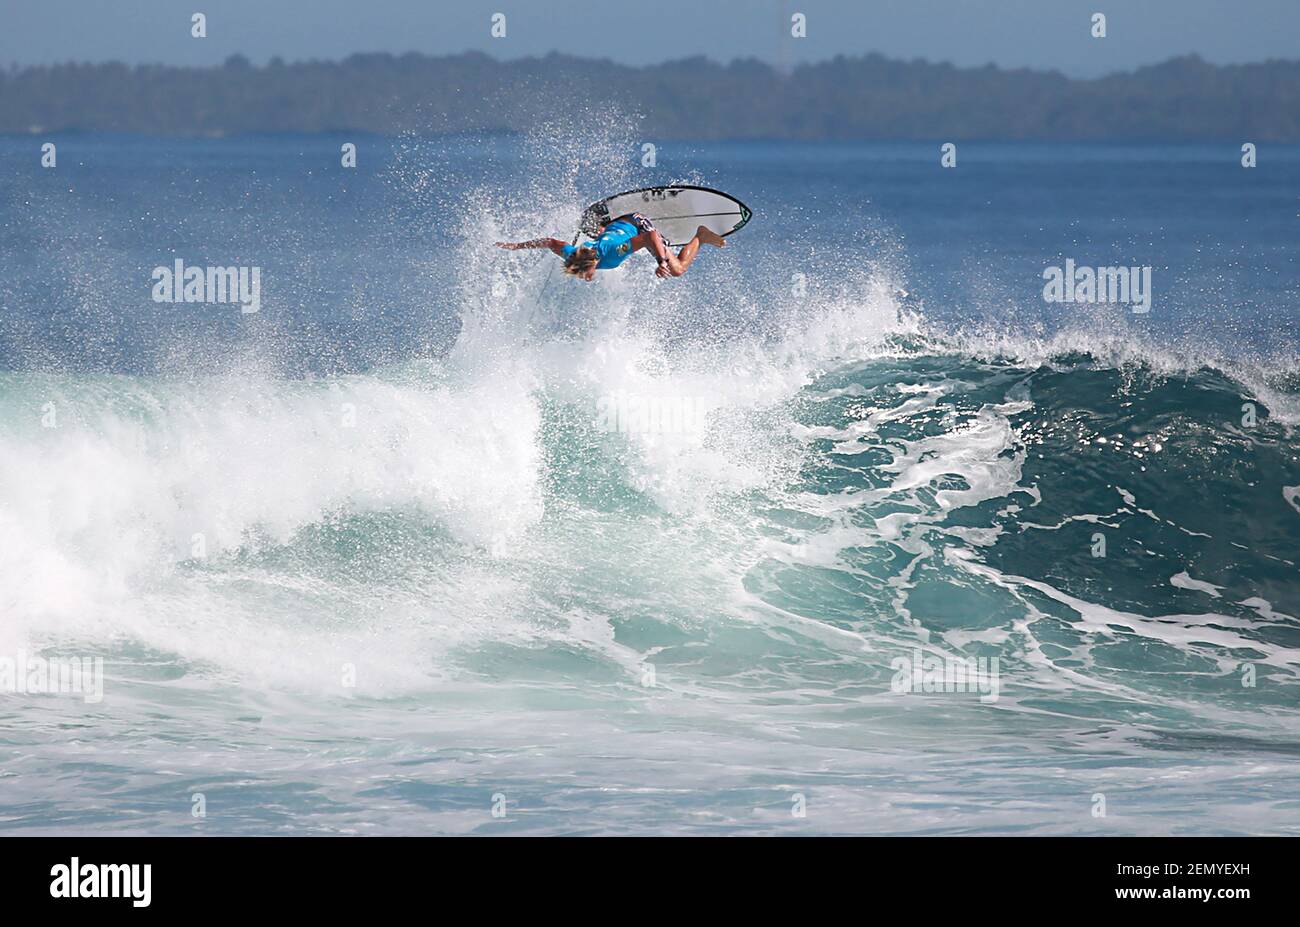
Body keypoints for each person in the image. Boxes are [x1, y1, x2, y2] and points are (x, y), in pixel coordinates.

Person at [495, 212, 726, 280]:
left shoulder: (614, 254)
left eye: (586, 274)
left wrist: (661, 261)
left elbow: (650, 235)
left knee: (677, 270)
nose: (587, 278)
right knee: (604, 233)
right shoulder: (573, 254)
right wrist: (516, 246)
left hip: (637, 223)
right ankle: (602, 227)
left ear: (591, 263)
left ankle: (701, 235)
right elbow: (548, 242)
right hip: (617, 225)